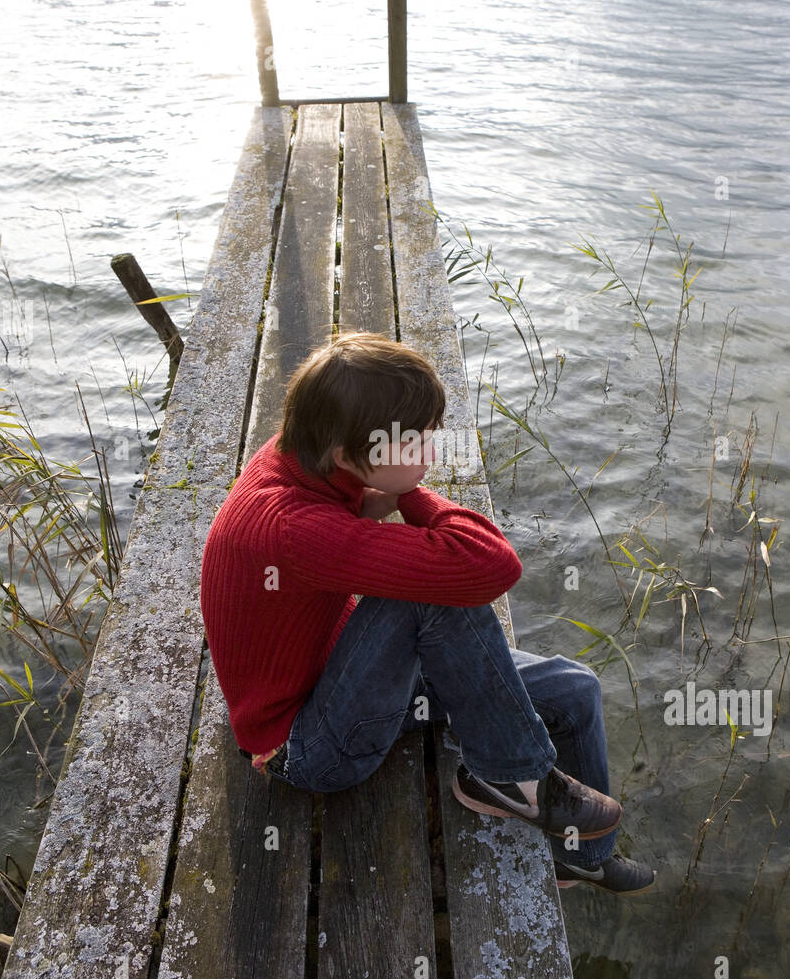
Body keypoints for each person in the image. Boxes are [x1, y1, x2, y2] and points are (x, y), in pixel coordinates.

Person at [200, 331, 656, 895]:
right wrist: (414, 496)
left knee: (575, 688)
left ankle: (582, 858)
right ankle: (510, 775)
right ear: (347, 455)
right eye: (412, 446)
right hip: (306, 746)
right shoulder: (294, 527)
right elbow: (491, 564)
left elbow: (457, 553)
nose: (430, 456)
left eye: (428, 436)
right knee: (426, 592)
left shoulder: (309, 453)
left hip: (350, 670)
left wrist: (396, 484)